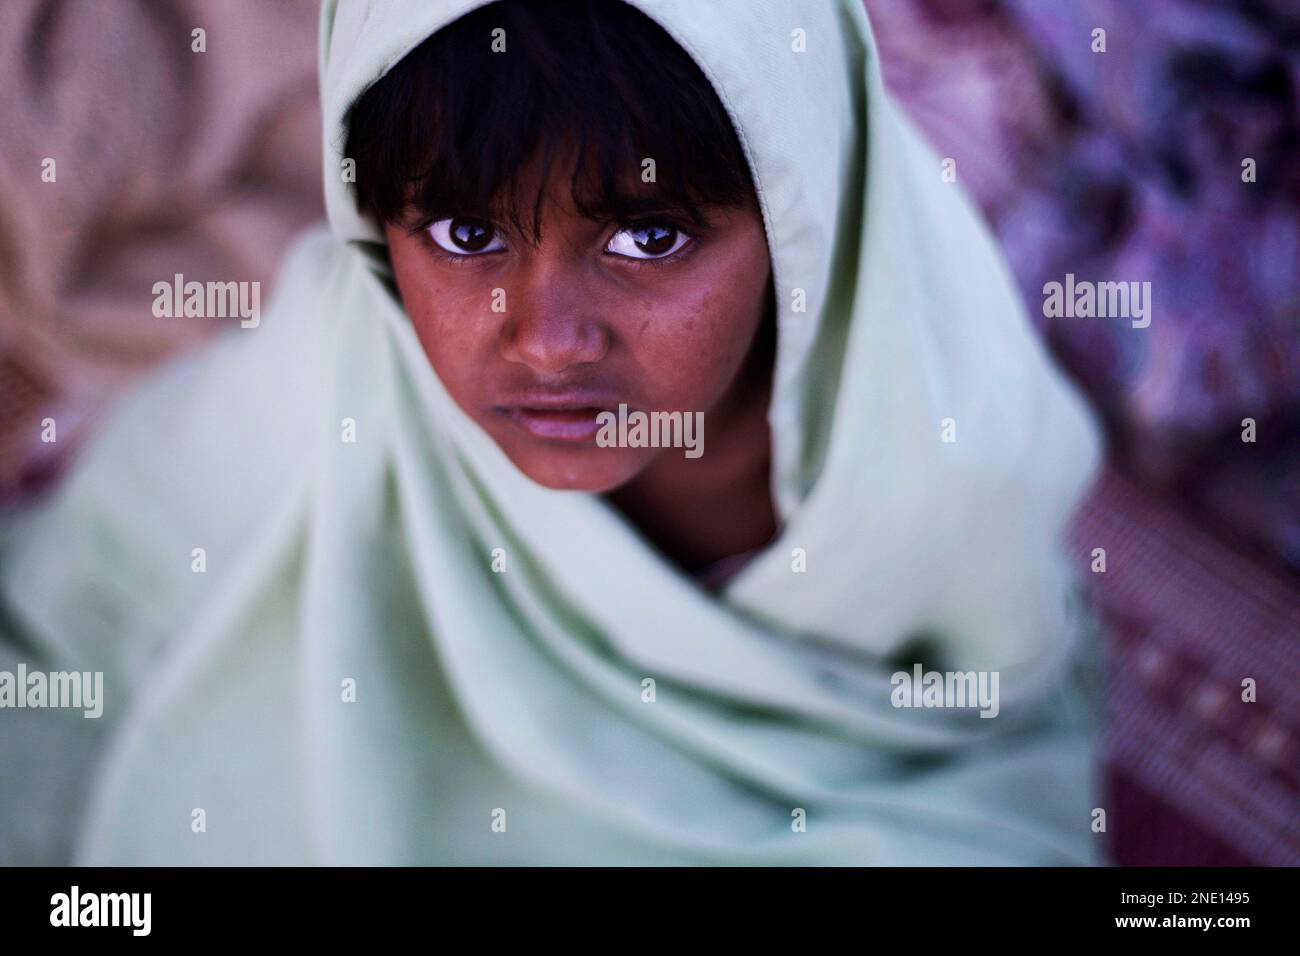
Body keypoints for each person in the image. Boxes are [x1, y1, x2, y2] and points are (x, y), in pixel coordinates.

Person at [0, 0, 1104, 865]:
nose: (546, 339)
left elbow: (975, 765)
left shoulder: (942, 451)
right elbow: (87, 595)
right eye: (466, 230)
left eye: (651, 235)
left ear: (800, 211)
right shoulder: (342, 357)